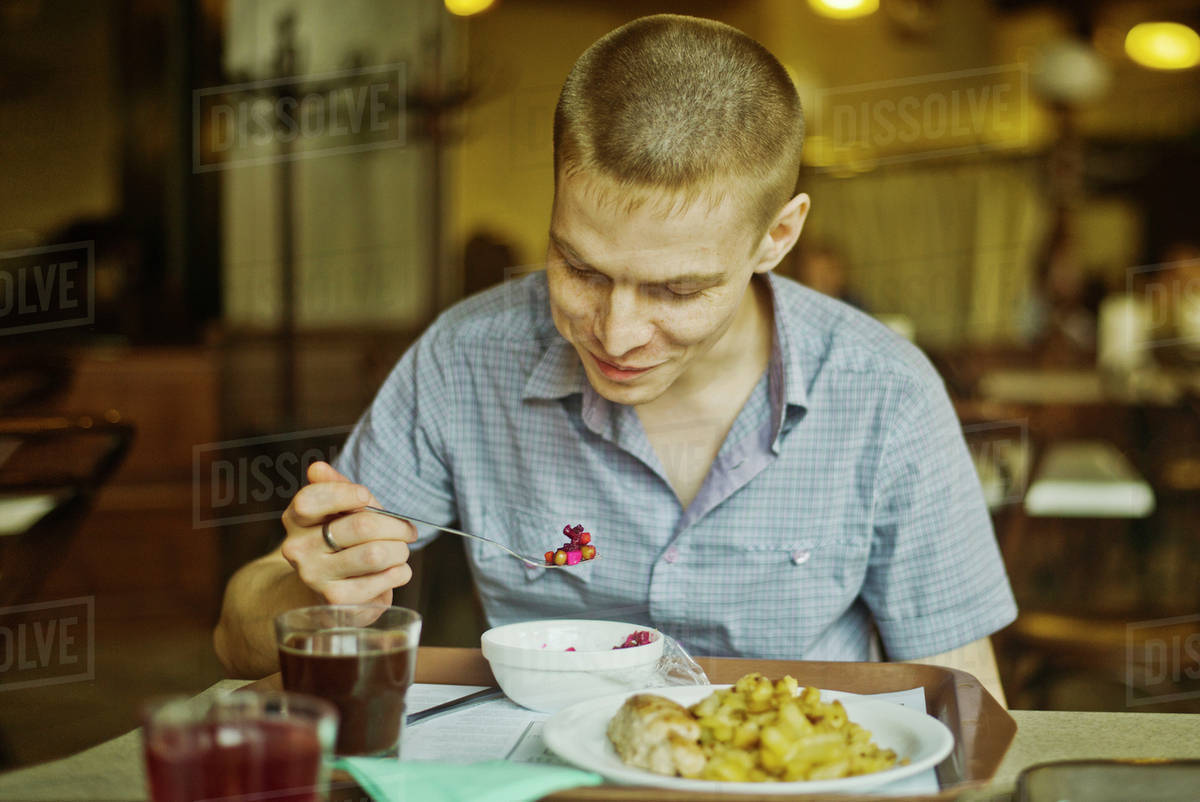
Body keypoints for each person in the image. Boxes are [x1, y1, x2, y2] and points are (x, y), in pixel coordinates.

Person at [215, 14, 1016, 703]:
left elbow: (962, 701)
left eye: (676, 290)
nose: (615, 331)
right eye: (582, 269)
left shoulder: (886, 394)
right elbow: (237, 643)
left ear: (778, 236)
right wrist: (315, 589)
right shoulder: (464, 362)